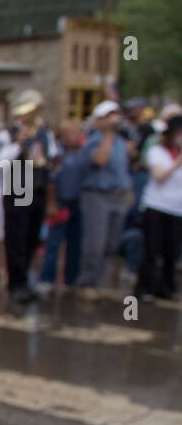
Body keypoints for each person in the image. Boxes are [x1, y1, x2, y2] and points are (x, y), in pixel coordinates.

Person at [4, 90, 57, 303]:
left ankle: (25, 280)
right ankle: (15, 283)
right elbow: (0, 162)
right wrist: (18, 143)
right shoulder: (7, 134)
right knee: (16, 238)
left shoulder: (45, 132)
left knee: (32, 238)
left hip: (38, 189)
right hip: (17, 190)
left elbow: (49, 159)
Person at [76, 100, 134, 294]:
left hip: (118, 197)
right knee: (95, 243)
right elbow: (100, 160)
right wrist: (108, 134)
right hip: (97, 196)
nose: (114, 119)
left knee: (111, 243)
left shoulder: (120, 141)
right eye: (109, 115)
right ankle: (87, 283)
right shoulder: (95, 138)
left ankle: (100, 281)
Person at [133, 114, 182, 302]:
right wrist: (177, 163)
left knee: (171, 253)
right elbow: (159, 176)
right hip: (156, 206)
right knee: (152, 250)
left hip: (177, 209)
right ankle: (144, 288)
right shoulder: (157, 151)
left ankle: (167, 288)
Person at [37, 120, 87, 294]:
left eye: (79, 132)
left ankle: (70, 279)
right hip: (61, 203)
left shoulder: (83, 153)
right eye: (73, 132)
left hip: (78, 204)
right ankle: (46, 278)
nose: (77, 136)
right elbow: (52, 180)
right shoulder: (58, 154)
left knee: (75, 244)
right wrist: (51, 204)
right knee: (54, 243)